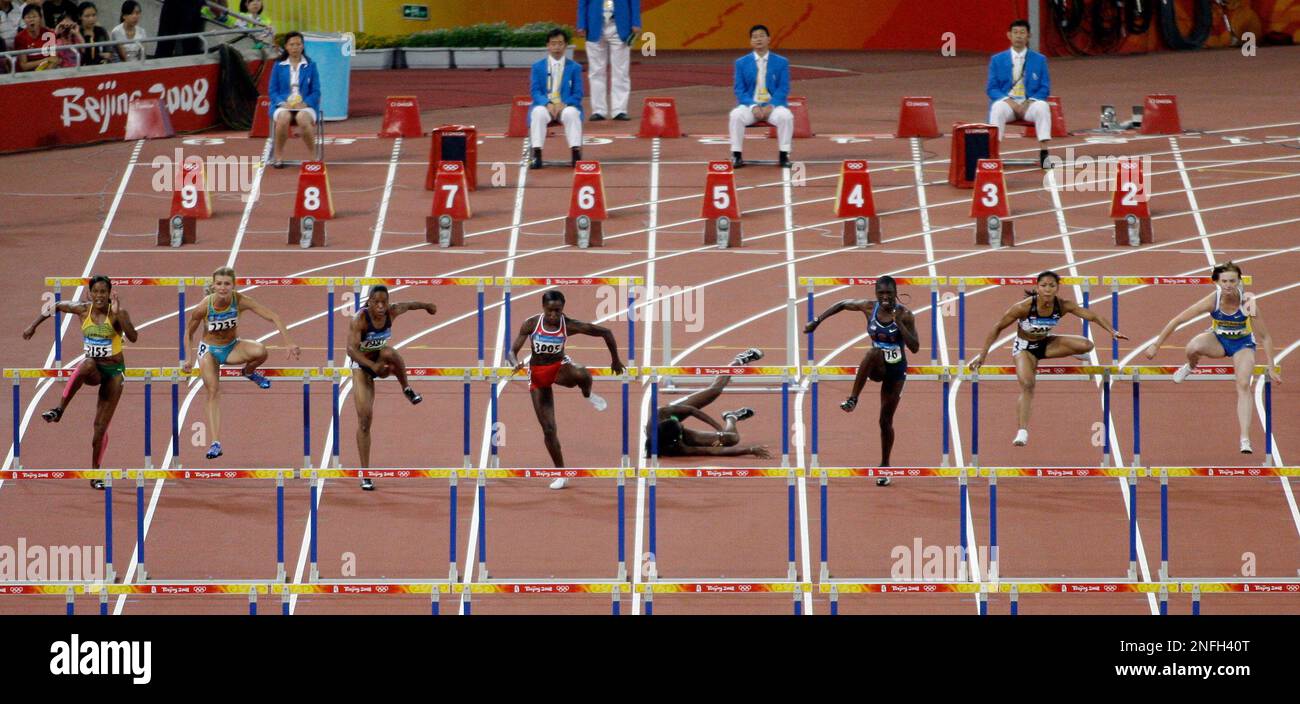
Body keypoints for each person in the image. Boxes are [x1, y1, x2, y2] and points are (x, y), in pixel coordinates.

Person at [968, 270, 1126, 447]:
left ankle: (1069, 350)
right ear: (1037, 287)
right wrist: (982, 355)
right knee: (1028, 385)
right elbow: (997, 328)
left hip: (1046, 344)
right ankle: (1022, 431)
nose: (1047, 290)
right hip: (1025, 349)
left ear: (1057, 288)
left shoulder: (1063, 305)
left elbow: (1093, 316)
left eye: (1052, 286)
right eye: (1043, 286)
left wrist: (1112, 331)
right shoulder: (1024, 307)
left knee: (1087, 345)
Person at [1144, 262, 1281, 454]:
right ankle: (1190, 367)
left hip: (1243, 345)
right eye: (1224, 281)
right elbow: (1178, 320)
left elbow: (1265, 336)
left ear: (1239, 281)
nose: (1228, 285)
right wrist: (1155, 345)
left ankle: (1245, 439)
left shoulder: (1247, 302)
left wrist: (1272, 366)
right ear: (1217, 282)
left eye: (1232, 281)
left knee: (1243, 384)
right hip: (1218, 340)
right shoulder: (1213, 300)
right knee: (1192, 347)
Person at [22, 276, 138, 489]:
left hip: (113, 373)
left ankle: (95, 474)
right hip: (94, 371)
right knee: (86, 363)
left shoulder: (118, 313)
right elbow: (56, 306)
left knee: (99, 428)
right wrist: (33, 325)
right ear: (89, 294)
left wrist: (119, 315)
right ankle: (59, 409)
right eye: (96, 292)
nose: (100, 296)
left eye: (104, 292)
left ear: (110, 293)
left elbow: (133, 337)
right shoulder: (82, 310)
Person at [803, 277, 919, 483]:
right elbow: (842, 304)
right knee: (873, 352)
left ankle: (885, 466)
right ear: (875, 293)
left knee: (885, 421)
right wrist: (817, 321)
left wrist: (898, 323)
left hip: (896, 371)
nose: (885, 297)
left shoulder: (906, 314)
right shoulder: (868, 307)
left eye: (889, 293)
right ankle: (853, 399)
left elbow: (915, 347)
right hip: (877, 367)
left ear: (895, 293)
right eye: (881, 293)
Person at [507, 290, 625, 489]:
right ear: (543, 307)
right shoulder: (531, 324)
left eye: (558, 311)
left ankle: (588, 394)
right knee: (549, 429)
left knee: (583, 374)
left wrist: (615, 359)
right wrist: (514, 362)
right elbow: (511, 351)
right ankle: (561, 473)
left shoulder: (568, 325)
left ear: (563, 309)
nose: (553, 315)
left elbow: (606, 332)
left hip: (559, 368)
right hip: (538, 374)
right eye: (550, 310)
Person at [181, 266, 301, 460]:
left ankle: (249, 372)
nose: (222, 288)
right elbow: (189, 332)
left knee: (261, 351)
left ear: (233, 285)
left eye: (226, 284)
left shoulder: (240, 300)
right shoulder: (204, 307)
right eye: (219, 284)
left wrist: (288, 342)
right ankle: (215, 443)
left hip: (231, 347)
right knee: (213, 391)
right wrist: (187, 358)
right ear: (213, 285)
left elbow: (273, 316)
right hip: (209, 352)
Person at [345, 286, 435, 490]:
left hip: (381, 359)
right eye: (376, 302)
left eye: (383, 302)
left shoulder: (392, 311)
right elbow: (350, 350)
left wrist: (427, 306)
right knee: (365, 420)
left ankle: (407, 388)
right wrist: (371, 366)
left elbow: (410, 305)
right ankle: (366, 475)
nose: (380, 306)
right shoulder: (359, 319)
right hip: (362, 366)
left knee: (389, 352)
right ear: (368, 302)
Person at [646, 348, 772, 461]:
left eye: (679, 423)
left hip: (674, 411)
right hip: (672, 437)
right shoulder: (678, 447)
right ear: (677, 437)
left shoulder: (661, 413)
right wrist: (749, 450)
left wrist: (718, 428)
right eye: (681, 427)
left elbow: (691, 410)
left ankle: (738, 361)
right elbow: (711, 450)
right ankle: (731, 417)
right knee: (731, 439)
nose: (682, 424)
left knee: (714, 391)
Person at [986, 19, 1053, 169]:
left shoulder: (1040, 60)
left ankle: (1044, 153)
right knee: (997, 108)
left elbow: (1045, 88)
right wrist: (1009, 102)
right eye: (1015, 33)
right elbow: (991, 88)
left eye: (1022, 33)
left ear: (1029, 36)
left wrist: (1029, 102)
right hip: (1007, 105)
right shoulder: (996, 60)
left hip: (1029, 105)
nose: (1019, 36)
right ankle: (993, 154)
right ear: (1009, 35)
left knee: (1042, 106)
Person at [729, 24, 793, 169]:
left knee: (786, 116)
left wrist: (772, 105)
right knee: (735, 115)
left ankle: (784, 155)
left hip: (773, 107)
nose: (758, 39)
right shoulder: (741, 63)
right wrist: (752, 106)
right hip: (751, 106)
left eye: (761, 36)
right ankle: (736, 155)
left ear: (769, 39)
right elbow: (739, 90)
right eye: (755, 37)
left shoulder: (782, 62)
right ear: (751, 41)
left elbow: (783, 88)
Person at [528, 28, 584, 170]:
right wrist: (547, 103)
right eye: (553, 44)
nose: (556, 47)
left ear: (565, 45)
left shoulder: (575, 67)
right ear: (548, 45)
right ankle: (537, 153)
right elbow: (535, 91)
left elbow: (578, 93)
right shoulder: (537, 67)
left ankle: (576, 152)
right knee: (538, 113)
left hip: (565, 105)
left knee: (571, 113)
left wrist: (564, 104)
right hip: (546, 105)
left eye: (560, 43)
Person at [577, 0, 640, 121]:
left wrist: (636, 21)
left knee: (621, 71)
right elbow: (582, 2)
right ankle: (598, 110)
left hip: (621, 24)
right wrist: (581, 24)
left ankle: (619, 110)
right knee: (596, 71)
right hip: (594, 24)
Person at [267, 31, 320, 167]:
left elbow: (316, 91)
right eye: (292, 44)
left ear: (302, 46)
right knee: (283, 117)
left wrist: (305, 103)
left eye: (298, 44)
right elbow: (273, 91)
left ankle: (313, 157)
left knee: (302, 118)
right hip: (283, 105)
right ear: (286, 46)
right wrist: (282, 103)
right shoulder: (278, 66)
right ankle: (278, 157)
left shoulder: (311, 65)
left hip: (305, 106)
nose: (295, 47)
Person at [12, 4, 59, 71]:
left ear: (40, 18)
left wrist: (45, 75)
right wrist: (46, 59)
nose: (31, 20)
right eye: (28, 17)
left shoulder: (49, 34)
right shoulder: (20, 38)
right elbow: (24, 65)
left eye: (34, 16)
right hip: (27, 75)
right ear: (23, 19)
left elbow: (54, 59)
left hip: (47, 72)